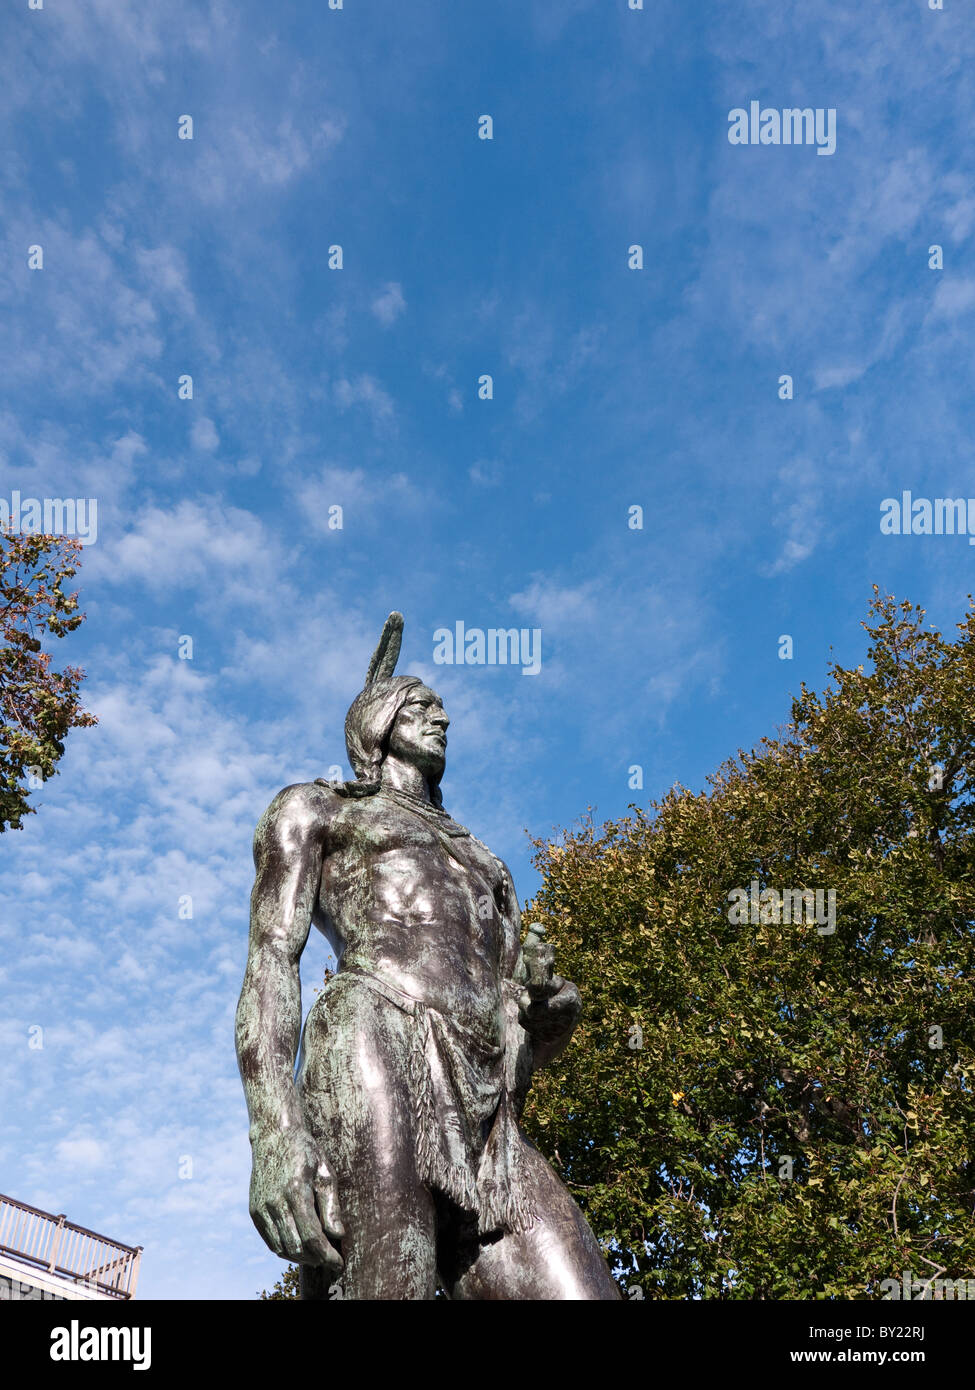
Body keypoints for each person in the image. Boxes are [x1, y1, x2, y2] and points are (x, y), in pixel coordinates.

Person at [235, 613, 620, 1299]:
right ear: (377, 723)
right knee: (389, 1285)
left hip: (485, 1097)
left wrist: (548, 1007)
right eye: (421, 707)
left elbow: (515, 1017)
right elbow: (271, 960)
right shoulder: (318, 809)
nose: (441, 719)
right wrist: (276, 1133)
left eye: (442, 710)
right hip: (375, 1034)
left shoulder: (486, 862)